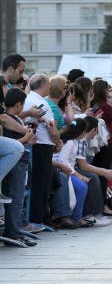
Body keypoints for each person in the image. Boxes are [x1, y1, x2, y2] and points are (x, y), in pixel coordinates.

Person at [1, 88, 36, 246]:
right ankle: (13, 232)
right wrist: (26, 138)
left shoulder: (14, 118)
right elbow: (12, 146)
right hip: (15, 165)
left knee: (18, 198)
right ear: (19, 104)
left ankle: (15, 230)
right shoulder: (7, 120)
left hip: (21, 164)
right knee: (15, 199)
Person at [26, 73, 61, 226]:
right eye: (48, 84)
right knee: (42, 184)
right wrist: (57, 142)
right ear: (43, 84)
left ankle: (37, 217)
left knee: (38, 182)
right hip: (44, 145)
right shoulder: (43, 103)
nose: (50, 87)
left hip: (36, 145)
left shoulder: (28, 99)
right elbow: (52, 128)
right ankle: (39, 218)